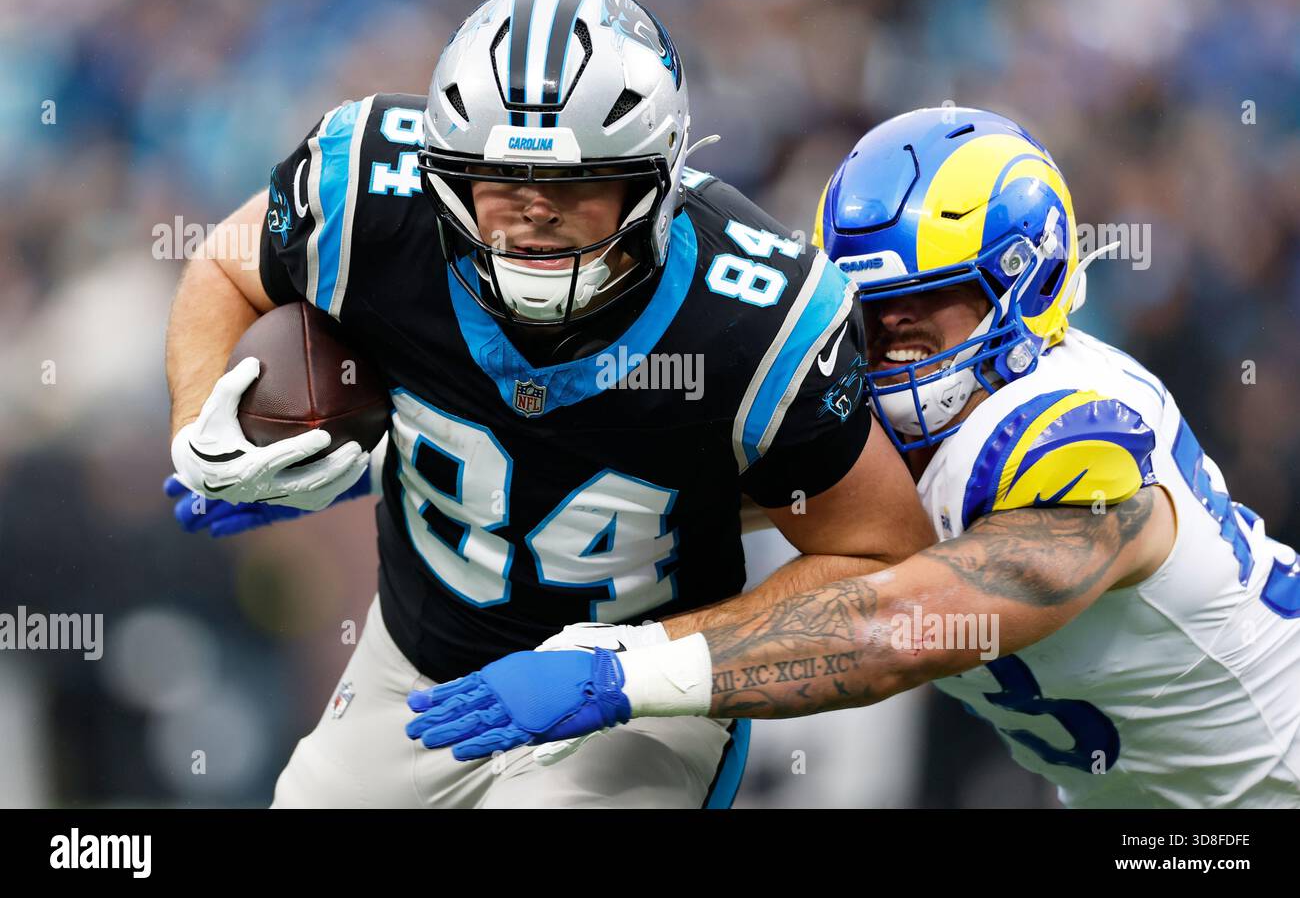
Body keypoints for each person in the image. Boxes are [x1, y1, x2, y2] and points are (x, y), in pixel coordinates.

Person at [164, 0, 932, 808]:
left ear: (656, 183)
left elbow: (880, 560)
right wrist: (204, 425)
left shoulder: (754, 315)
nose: (534, 215)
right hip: (413, 666)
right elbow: (226, 266)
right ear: (443, 172)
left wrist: (642, 670)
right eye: (501, 185)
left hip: (629, 706)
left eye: (575, 188)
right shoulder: (363, 191)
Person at [413, 108, 1300, 808]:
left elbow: (901, 634)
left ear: (1026, 283)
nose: (891, 336)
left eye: (932, 300)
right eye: (870, 311)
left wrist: (624, 671)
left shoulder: (1071, 433)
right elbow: (664, 489)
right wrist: (388, 457)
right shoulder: (865, 419)